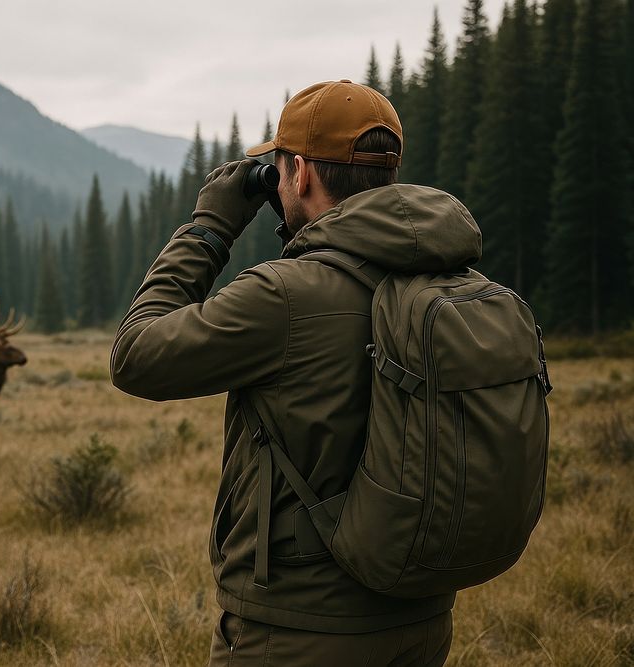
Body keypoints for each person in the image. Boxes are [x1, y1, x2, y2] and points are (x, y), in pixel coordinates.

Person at [111, 80, 483, 666]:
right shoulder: (446, 280)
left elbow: (134, 356)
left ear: (301, 174)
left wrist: (210, 226)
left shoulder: (285, 296)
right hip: (421, 620)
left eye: (281, 169)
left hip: (296, 633)